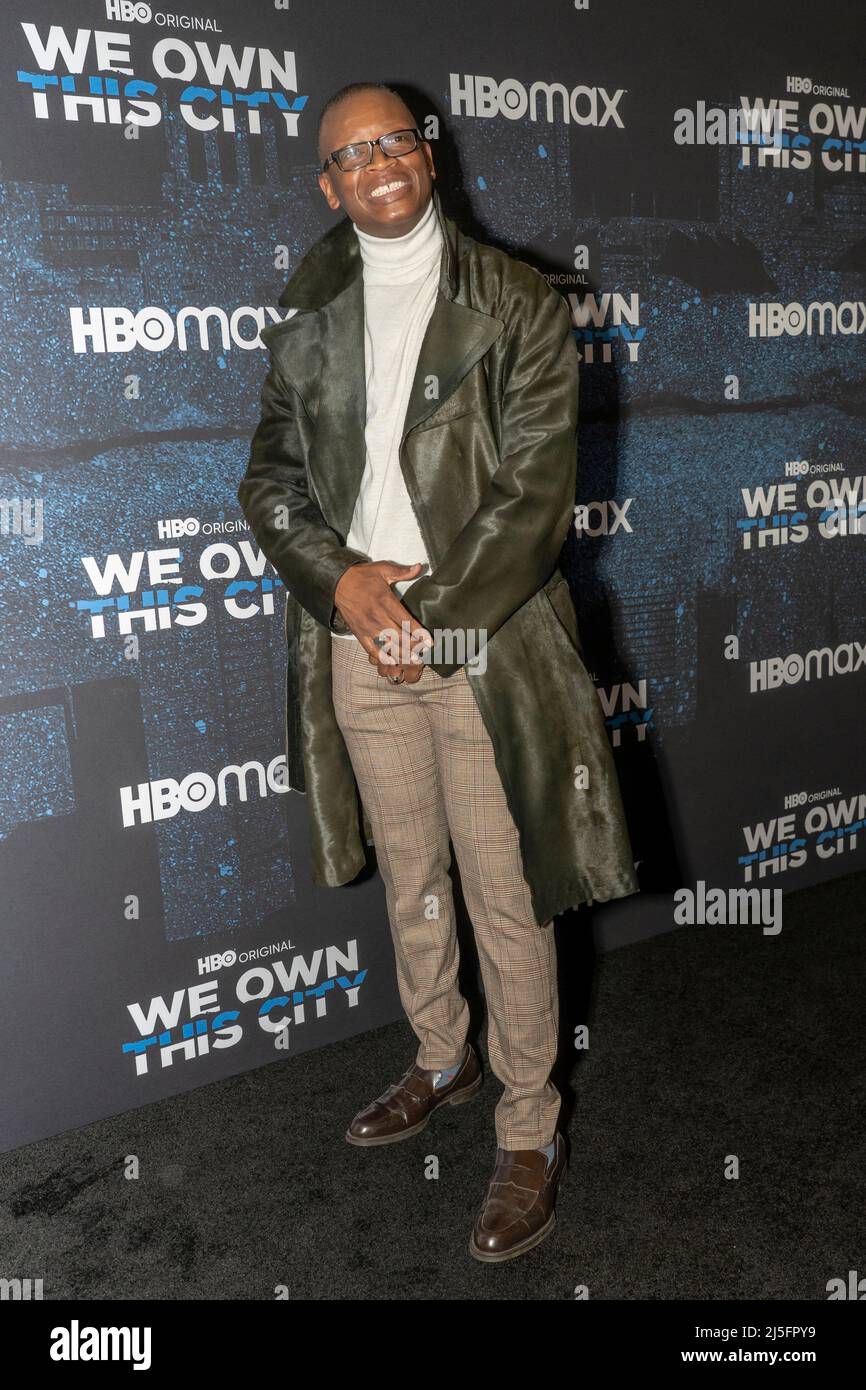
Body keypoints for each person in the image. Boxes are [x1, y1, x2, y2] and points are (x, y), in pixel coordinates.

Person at [238, 81, 640, 1263]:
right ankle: (438, 1056)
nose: (375, 165)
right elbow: (267, 481)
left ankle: (528, 1128)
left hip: (481, 635)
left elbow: (533, 497)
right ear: (328, 185)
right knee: (412, 872)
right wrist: (345, 583)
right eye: (347, 155)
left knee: (504, 891)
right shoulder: (308, 303)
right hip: (357, 629)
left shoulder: (514, 298)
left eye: (391, 143)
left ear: (427, 154)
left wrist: (432, 612)